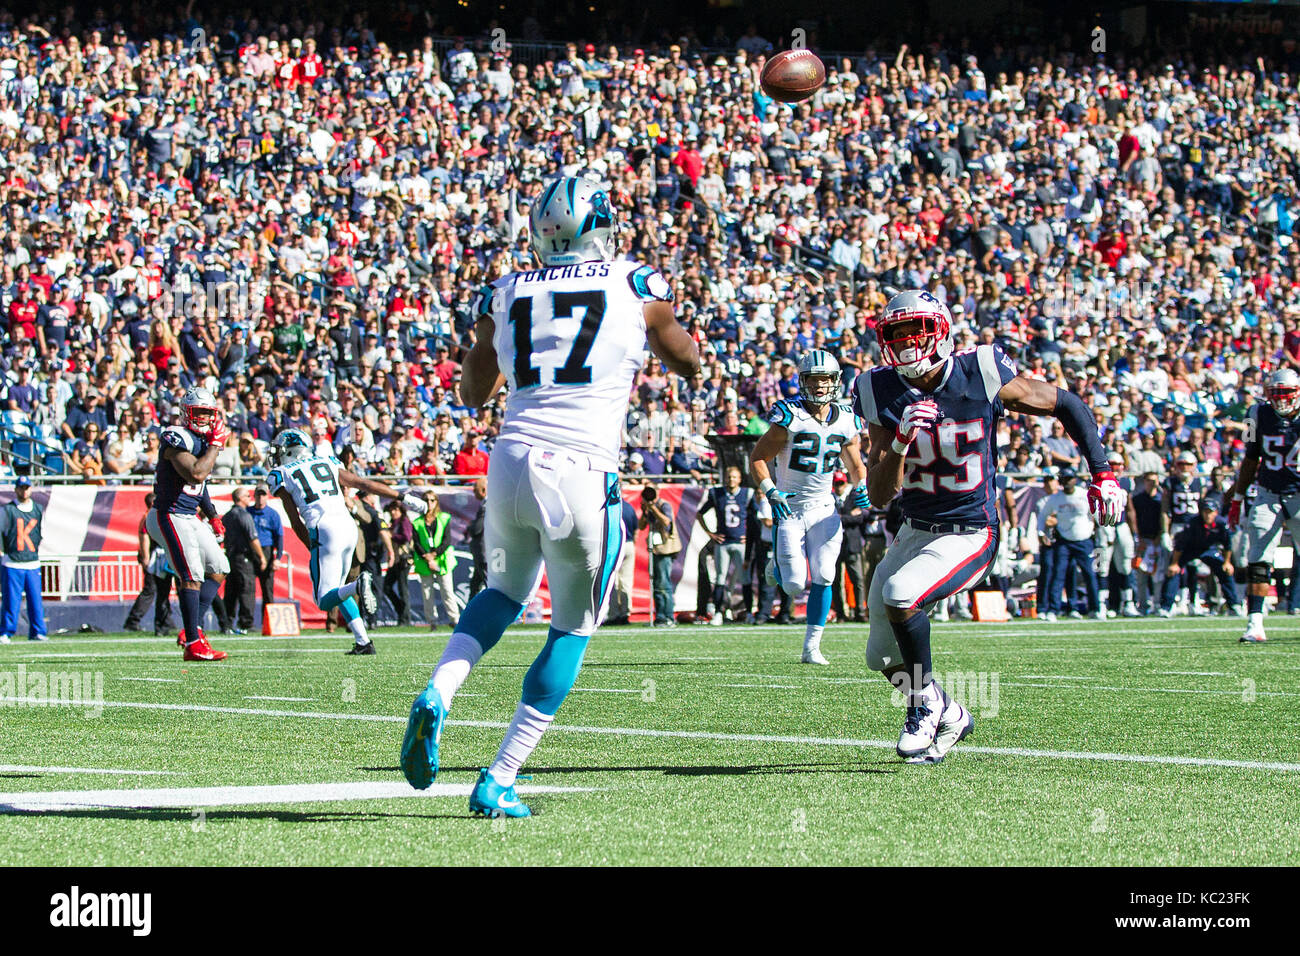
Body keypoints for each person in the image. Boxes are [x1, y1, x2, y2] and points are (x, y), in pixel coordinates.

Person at [401, 175, 700, 818]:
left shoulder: (504, 289)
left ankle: (440, 690)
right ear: (600, 225)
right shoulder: (634, 282)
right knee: (572, 627)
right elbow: (687, 360)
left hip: (509, 464)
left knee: (502, 593)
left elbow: (472, 392)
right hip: (582, 470)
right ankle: (500, 775)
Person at [854, 291, 1125, 763]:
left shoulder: (981, 370)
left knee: (900, 593)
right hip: (915, 529)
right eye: (895, 334)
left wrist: (1101, 472)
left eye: (914, 330)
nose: (906, 343)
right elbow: (879, 495)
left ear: (939, 330)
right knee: (879, 656)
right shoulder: (877, 388)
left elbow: (1067, 404)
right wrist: (898, 443)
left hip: (970, 531)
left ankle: (922, 704)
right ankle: (951, 712)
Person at [748, 350, 867, 664]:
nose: (820, 385)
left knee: (826, 575)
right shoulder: (790, 415)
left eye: (825, 378)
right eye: (814, 378)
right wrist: (771, 491)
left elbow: (855, 465)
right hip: (791, 507)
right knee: (793, 584)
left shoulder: (845, 419)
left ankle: (811, 647)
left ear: (835, 381)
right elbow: (758, 458)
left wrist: (861, 485)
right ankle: (776, 565)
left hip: (824, 507)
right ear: (803, 381)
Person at [267, 428, 426, 655]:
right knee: (338, 589)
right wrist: (404, 497)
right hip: (348, 526)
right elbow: (364, 484)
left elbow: (295, 520)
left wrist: (310, 546)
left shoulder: (281, 473)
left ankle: (358, 585)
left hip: (323, 528)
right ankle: (363, 642)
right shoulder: (328, 462)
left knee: (323, 600)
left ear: (289, 451)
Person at [145, 387, 232, 661]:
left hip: (188, 515)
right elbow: (196, 473)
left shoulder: (204, 442)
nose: (205, 418)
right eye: (200, 412)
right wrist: (216, 445)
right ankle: (194, 643)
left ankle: (190, 628)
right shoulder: (175, 437)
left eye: (209, 412)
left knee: (219, 568)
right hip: (168, 514)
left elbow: (201, 487)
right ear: (186, 413)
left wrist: (213, 515)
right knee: (191, 575)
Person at [1229, 368, 1300, 643]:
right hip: (1268, 493)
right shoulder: (1257, 414)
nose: (1281, 399)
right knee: (1257, 559)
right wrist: (1237, 497)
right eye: (1276, 393)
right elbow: (1250, 459)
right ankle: (1255, 623)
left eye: (1287, 393)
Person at [1038, 468, 1103, 621]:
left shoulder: (1084, 495)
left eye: (1070, 479)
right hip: (1064, 541)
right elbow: (1043, 516)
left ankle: (1095, 608)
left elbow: (1097, 514)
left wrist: (1097, 532)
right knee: (1058, 574)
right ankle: (1053, 610)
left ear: (1075, 479)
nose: (1067, 482)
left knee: (1090, 574)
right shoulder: (1055, 499)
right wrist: (1041, 532)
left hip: (1084, 540)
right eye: (1064, 479)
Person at [1160, 496, 1240, 619]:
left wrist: (1227, 562)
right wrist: (1175, 563)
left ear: (1216, 512)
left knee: (1225, 571)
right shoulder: (1192, 523)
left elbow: (1227, 544)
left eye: (1211, 512)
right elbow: (1180, 544)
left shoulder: (1222, 524)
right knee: (1173, 572)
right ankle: (1166, 607)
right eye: (1205, 512)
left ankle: (1234, 604)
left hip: (1209, 549)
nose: (1208, 515)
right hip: (1189, 549)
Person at [695, 466, 753, 625]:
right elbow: (699, 514)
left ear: (740, 479)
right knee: (720, 578)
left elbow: (754, 517)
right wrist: (710, 534)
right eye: (729, 476)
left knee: (745, 579)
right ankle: (718, 613)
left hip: (740, 543)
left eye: (734, 477)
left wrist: (749, 536)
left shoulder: (747, 494)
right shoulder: (717, 493)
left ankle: (749, 613)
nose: (731, 480)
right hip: (723, 542)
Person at [0, 476, 47, 643]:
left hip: (32, 561)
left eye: (27, 487)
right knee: (11, 601)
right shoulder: (8, 510)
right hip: (13, 560)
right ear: (16, 489)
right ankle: (6, 631)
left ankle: (38, 631)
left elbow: (40, 534)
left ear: (31, 489)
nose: (24, 490)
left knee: (35, 601)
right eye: (21, 487)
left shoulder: (38, 509)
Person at [123, 491, 174, 634]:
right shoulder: (151, 516)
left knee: (159, 590)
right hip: (154, 559)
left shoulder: (152, 516)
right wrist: (145, 557)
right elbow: (143, 536)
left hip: (156, 557)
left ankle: (166, 621)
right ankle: (134, 620)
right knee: (152, 590)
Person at [222, 487, 267, 634]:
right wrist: (261, 556)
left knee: (231, 591)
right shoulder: (244, 515)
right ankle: (246, 622)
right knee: (247, 589)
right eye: (248, 496)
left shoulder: (227, 516)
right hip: (244, 557)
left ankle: (227, 622)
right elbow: (252, 538)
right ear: (241, 498)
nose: (250, 498)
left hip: (230, 556)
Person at [414, 492, 460, 630]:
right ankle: (432, 621)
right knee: (427, 593)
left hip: (442, 561)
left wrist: (434, 555)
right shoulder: (417, 522)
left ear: (436, 502)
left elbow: (447, 540)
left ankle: (455, 619)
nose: (429, 503)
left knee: (447, 591)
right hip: (425, 561)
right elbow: (416, 543)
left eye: (432, 500)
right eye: (426, 500)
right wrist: (427, 557)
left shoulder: (443, 518)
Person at [643, 483, 678, 626]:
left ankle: (668, 616)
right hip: (655, 547)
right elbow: (641, 526)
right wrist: (646, 511)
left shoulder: (664, 505)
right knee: (656, 582)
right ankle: (660, 616)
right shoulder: (646, 506)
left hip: (665, 548)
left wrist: (653, 508)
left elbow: (666, 521)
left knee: (664, 583)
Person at [248, 483, 284, 607]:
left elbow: (279, 537)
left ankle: (268, 620)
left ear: (267, 496)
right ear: (254, 496)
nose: (260, 498)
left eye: (263, 495)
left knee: (267, 588)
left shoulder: (272, 514)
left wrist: (278, 558)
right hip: (249, 552)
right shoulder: (248, 512)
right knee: (248, 587)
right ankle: (248, 622)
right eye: (258, 494)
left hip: (266, 551)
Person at [383, 498, 416, 627]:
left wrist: (392, 535)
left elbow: (406, 537)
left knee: (403, 588)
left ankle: (405, 618)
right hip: (396, 560)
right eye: (391, 509)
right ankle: (400, 611)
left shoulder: (404, 522)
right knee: (387, 587)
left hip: (404, 559)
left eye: (395, 509)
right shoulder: (393, 523)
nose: (393, 512)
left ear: (400, 510)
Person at [606, 496, 639, 625]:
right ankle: (625, 613)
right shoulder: (629, 507)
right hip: (629, 544)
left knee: (612, 581)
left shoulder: (611, 507)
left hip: (615, 544)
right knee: (626, 581)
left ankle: (614, 614)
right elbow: (636, 529)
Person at [464, 477, 488, 599]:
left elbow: (477, 529)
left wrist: (470, 527)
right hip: (483, 553)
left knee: (489, 584)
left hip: (484, 552)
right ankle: (470, 614)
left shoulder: (486, 505)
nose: (473, 492)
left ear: (484, 490)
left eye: (475, 490)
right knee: (475, 585)